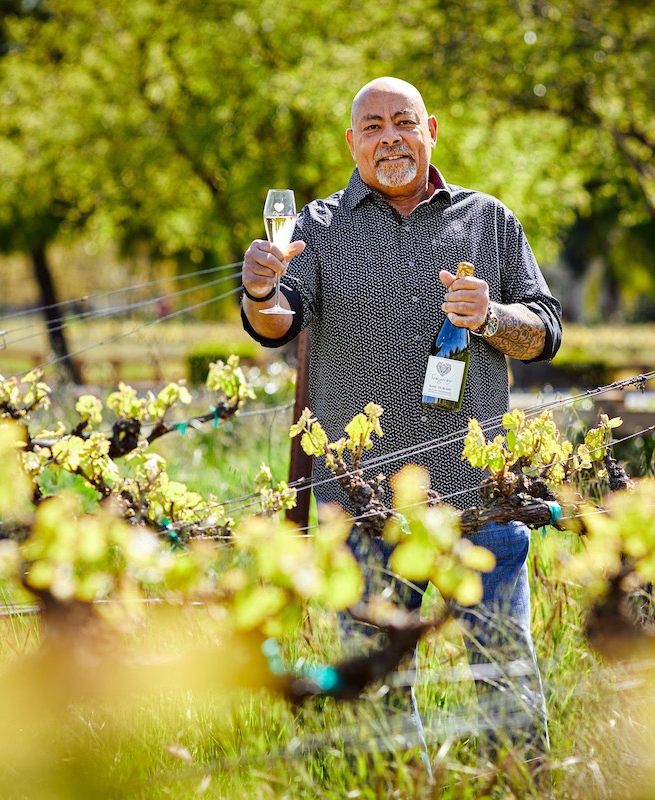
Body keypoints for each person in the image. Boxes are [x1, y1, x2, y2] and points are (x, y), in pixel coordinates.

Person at [240, 77, 561, 768]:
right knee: (381, 698)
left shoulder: (490, 219)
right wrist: (260, 288)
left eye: (403, 122)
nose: (390, 136)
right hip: (360, 509)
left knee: (506, 681)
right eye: (373, 126)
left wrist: (494, 318)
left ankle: (523, 784)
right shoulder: (317, 226)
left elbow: (546, 331)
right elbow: (278, 321)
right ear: (353, 142)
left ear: (431, 130)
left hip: (479, 498)